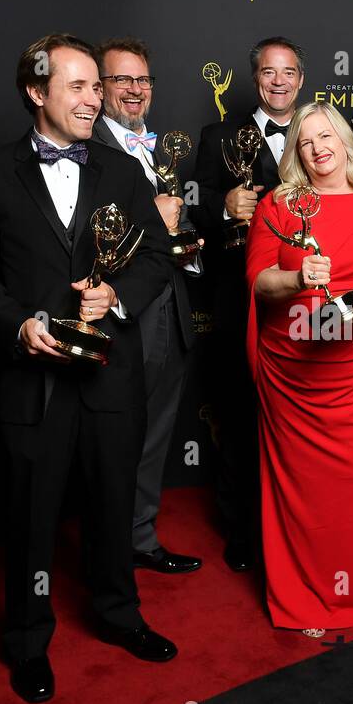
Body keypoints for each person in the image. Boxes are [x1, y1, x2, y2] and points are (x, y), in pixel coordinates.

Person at [0, 33, 176, 704]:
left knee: (113, 498)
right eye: (78, 86)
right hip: (34, 379)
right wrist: (18, 323)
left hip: (112, 373)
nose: (94, 98)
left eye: (96, 87)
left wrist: (120, 296)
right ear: (36, 91)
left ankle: (119, 612)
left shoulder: (124, 171)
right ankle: (27, 639)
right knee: (30, 514)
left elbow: (157, 258)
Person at [246, 101, 353, 633]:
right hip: (292, 372)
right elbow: (258, 283)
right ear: (295, 152)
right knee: (299, 491)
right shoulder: (279, 204)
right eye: (305, 141)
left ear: (346, 141)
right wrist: (298, 281)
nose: (319, 149)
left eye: (327, 137)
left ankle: (350, 593)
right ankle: (302, 599)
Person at [191, 36, 306, 572]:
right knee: (238, 415)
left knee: (297, 421)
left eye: (288, 73)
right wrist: (221, 205)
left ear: (301, 80)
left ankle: (298, 525)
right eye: (268, 72)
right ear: (254, 78)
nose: (278, 82)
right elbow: (190, 210)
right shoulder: (217, 137)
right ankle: (243, 530)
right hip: (240, 297)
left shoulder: (317, 135)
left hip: (304, 302)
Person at [91, 36, 203, 575]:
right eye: (121, 80)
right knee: (110, 442)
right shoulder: (85, 148)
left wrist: (186, 238)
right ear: (99, 88)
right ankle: (106, 551)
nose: (134, 90)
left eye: (143, 80)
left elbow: (179, 233)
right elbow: (85, 246)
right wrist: (153, 228)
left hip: (171, 314)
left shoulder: (161, 149)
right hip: (119, 318)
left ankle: (139, 537)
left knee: (156, 437)